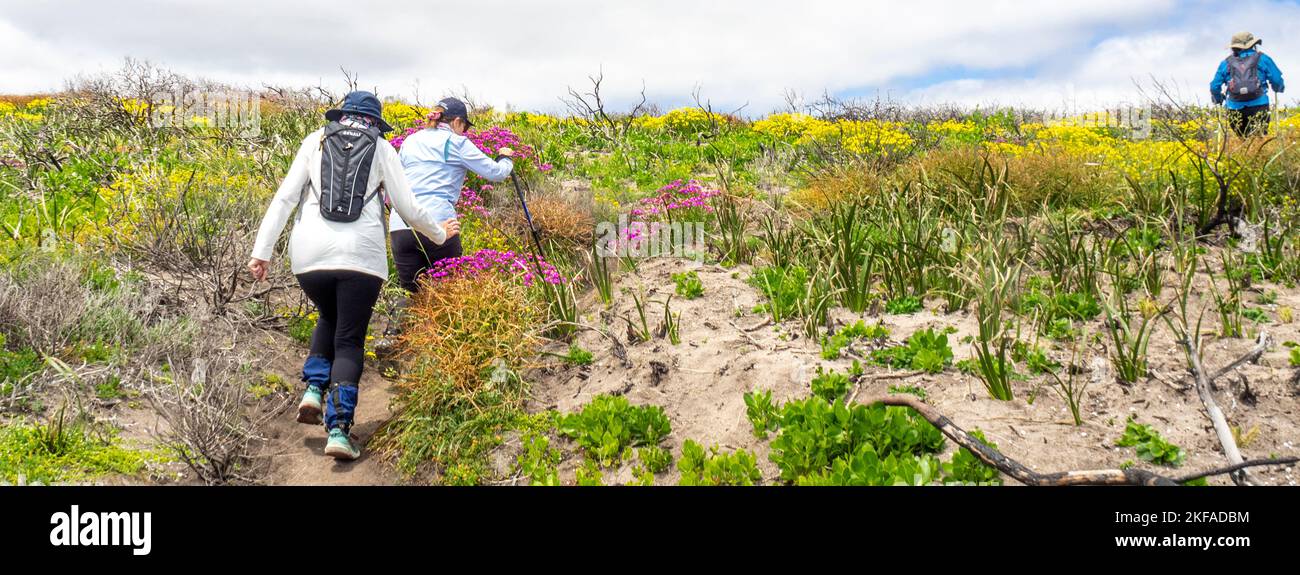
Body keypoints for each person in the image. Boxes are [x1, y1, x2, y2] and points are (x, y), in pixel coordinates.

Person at [247, 91, 458, 460]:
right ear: (375, 121)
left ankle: (313, 388)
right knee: (348, 339)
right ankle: (340, 430)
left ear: (341, 115)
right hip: (362, 259)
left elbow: (284, 198)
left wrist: (261, 252)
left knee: (329, 315)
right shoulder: (383, 149)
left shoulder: (315, 140)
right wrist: (440, 234)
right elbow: (407, 207)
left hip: (310, 257)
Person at [390, 97, 515, 293]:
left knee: (412, 296)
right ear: (456, 122)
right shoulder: (456, 142)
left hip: (401, 227)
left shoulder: (410, 140)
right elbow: (496, 173)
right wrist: (505, 159)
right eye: (464, 127)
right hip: (439, 223)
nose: (464, 132)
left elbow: (395, 180)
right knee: (450, 293)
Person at [1211, 31, 1285, 137]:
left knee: (1243, 140)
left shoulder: (1226, 63)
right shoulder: (1263, 58)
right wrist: (1278, 88)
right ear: (1253, 44)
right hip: (1259, 105)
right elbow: (1277, 80)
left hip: (1234, 108)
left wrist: (1218, 99)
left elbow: (1214, 86)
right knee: (1259, 139)